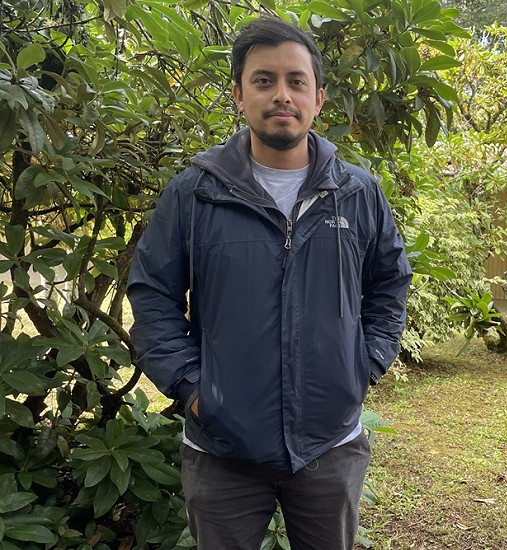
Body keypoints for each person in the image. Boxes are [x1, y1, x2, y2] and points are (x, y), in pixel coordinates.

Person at [127, 16, 412, 550]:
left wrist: (365, 362)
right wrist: (191, 388)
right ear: (239, 94)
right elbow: (152, 294)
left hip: (330, 445)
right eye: (264, 80)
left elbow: (389, 282)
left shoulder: (357, 192)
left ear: (319, 98)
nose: (282, 95)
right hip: (220, 450)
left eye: (296, 81)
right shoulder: (195, 193)